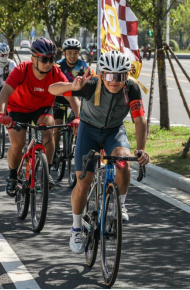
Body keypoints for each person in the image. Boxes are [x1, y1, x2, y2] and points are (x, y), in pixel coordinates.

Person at [48, 50, 150, 255]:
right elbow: (52, 89)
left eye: (120, 76)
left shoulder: (131, 89)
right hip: (88, 130)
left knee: (123, 161)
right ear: (102, 74)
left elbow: (140, 121)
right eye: (110, 76)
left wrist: (141, 150)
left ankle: (119, 205)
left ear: (126, 76)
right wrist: (72, 86)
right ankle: (76, 228)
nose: (114, 82)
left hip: (114, 131)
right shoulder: (91, 85)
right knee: (84, 182)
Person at [0, 38, 81, 195]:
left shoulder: (55, 72)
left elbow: (71, 95)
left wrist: (77, 117)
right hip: (17, 108)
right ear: (33, 58)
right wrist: (2, 114)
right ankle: (13, 177)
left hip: (42, 108)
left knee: (48, 132)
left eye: (51, 59)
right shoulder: (22, 69)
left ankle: (46, 171)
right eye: (44, 59)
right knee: (18, 143)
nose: (48, 63)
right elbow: (4, 93)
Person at [53, 38, 93, 149]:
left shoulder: (83, 66)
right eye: (69, 53)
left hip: (77, 100)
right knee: (57, 126)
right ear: (64, 53)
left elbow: (90, 82)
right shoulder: (58, 66)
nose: (72, 56)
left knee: (77, 124)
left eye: (75, 53)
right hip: (60, 99)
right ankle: (54, 152)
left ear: (79, 53)